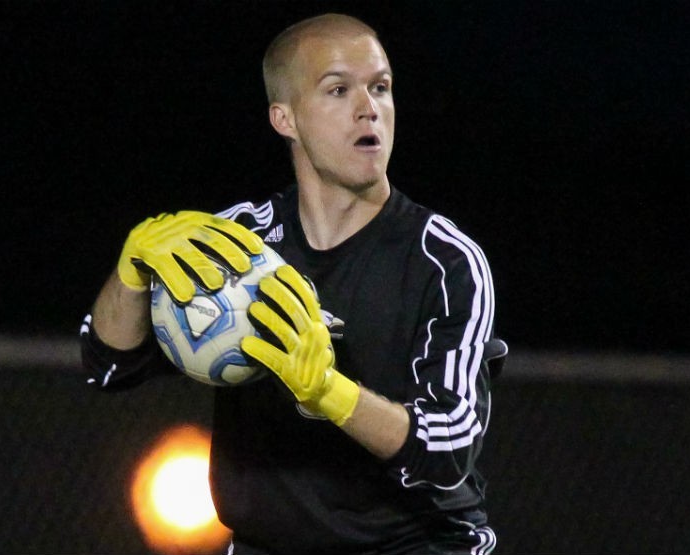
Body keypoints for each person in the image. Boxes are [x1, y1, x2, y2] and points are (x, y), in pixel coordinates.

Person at [80, 13, 505, 555]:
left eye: (380, 87)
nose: (368, 107)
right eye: (338, 89)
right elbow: (107, 366)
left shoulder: (444, 261)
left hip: (415, 545)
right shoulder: (235, 247)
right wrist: (132, 271)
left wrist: (329, 391)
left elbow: (449, 451)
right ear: (285, 119)